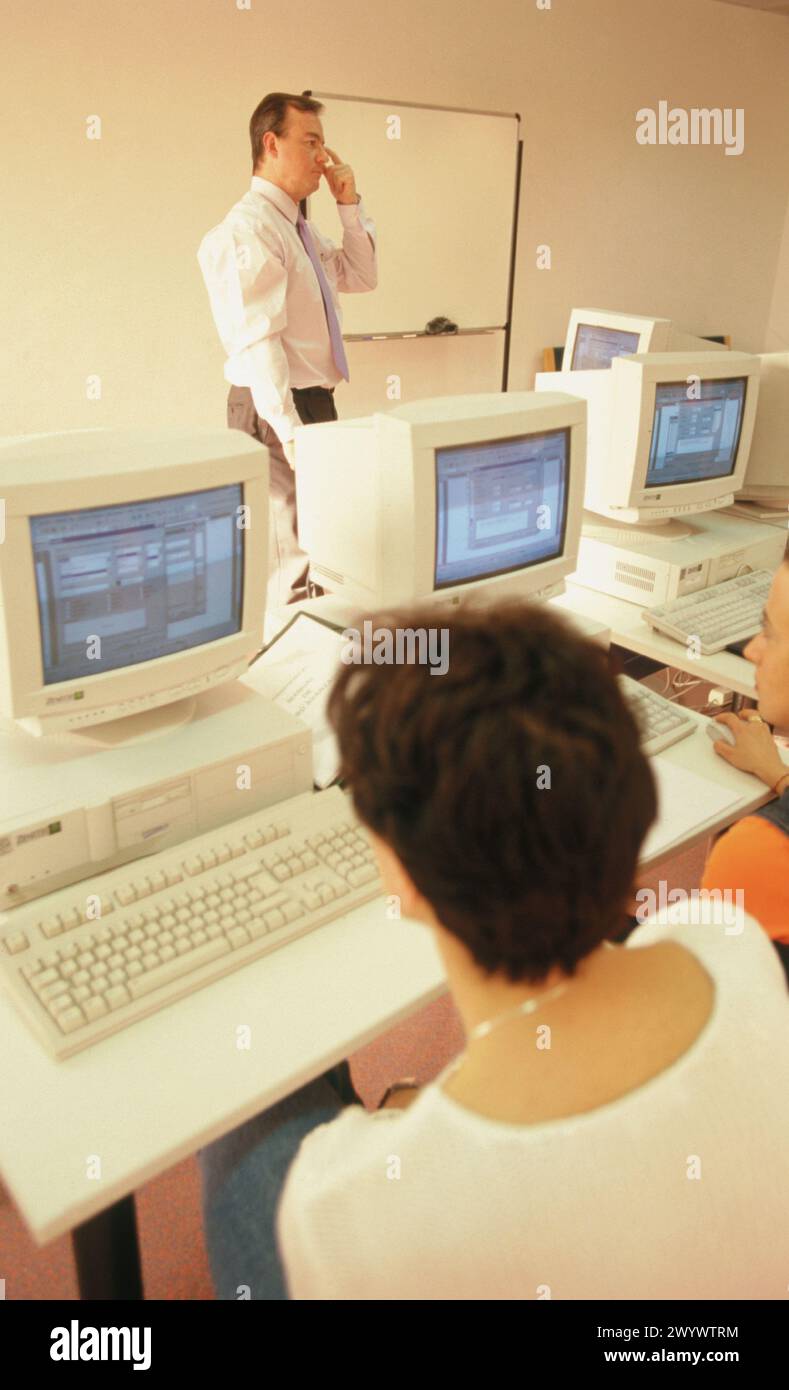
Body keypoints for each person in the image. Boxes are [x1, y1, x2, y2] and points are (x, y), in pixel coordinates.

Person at [199, 602, 789, 1300]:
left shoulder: (347, 1210)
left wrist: (417, 1131)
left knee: (242, 1095)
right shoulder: (730, 948)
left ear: (398, 878)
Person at [197, 93, 377, 605]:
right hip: (273, 405)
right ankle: (287, 677)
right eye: (311, 143)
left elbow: (360, 276)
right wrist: (291, 434)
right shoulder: (247, 230)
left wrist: (349, 205)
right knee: (290, 563)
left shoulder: (299, 226)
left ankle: (317, 667)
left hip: (312, 399)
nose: (324, 159)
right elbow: (258, 343)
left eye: (324, 144)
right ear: (271, 145)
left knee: (326, 546)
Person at [702, 555, 789, 962]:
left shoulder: (760, 853)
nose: (753, 651)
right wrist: (778, 776)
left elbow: (702, 1010)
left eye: (770, 633)